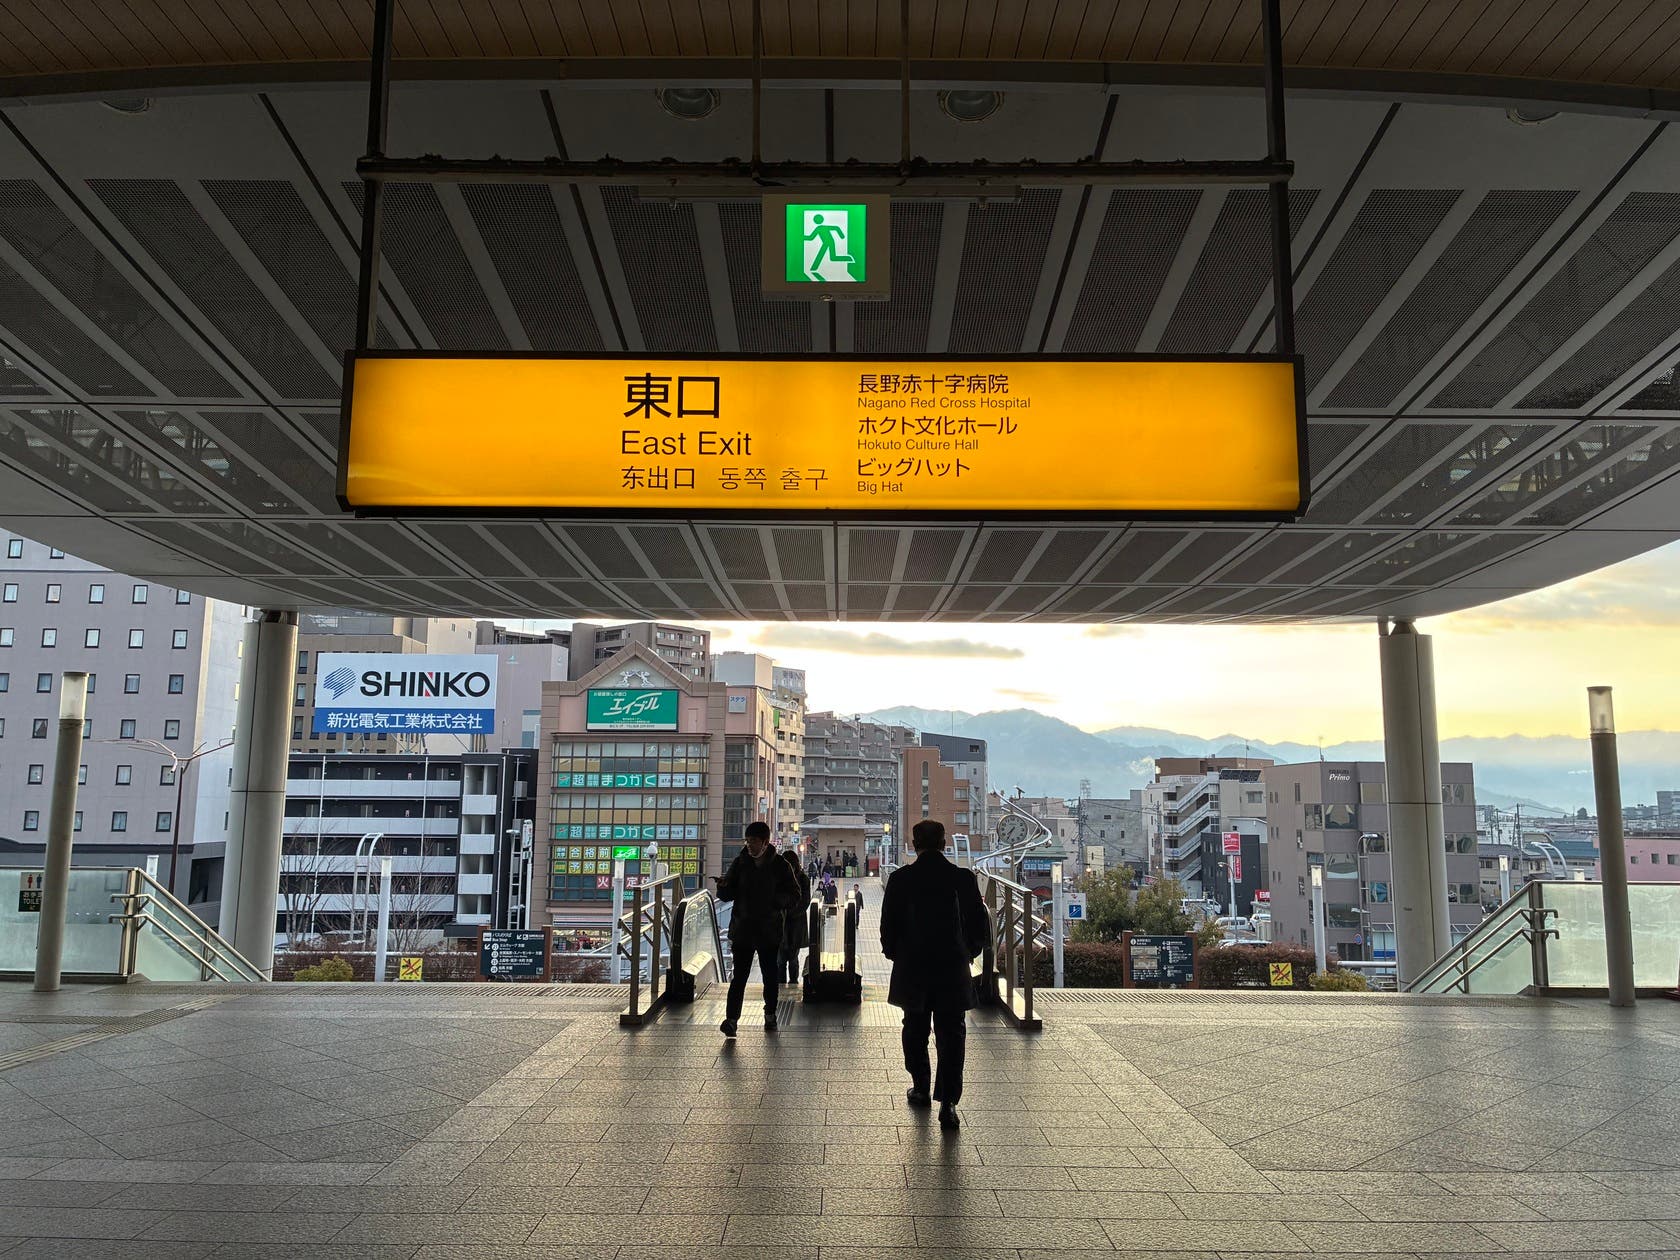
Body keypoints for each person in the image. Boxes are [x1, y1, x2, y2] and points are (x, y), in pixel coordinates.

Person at [880, 818, 987, 1131]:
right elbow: (978, 925)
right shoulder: (963, 878)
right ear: (944, 844)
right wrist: (968, 952)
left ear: (915, 845)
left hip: (913, 965)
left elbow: (889, 925)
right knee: (952, 1034)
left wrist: (895, 954)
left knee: (914, 1027)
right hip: (952, 967)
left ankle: (921, 1087)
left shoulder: (901, 879)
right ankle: (949, 1102)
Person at [714, 820, 799, 1037]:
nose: (749, 845)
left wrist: (775, 901)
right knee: (739, 977)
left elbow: (794, 895)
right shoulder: (740, 862)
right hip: (743, 929)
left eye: (753, 841)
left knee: (769, 975)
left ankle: (770, 1014)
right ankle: (731, 1019)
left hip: (769, 930)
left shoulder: (780, 865)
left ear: (764, 841)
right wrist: (723, 887)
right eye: (747, 840)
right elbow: (727, 894)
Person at [779, 844, 812, 983]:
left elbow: (805, 901)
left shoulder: (802, 878)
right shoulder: (779, 878)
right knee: (781, 959)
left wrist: (789, 912)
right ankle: (781, 984)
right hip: (784, 922)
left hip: (793, 922)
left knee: (791, 957)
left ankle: (792, 982)